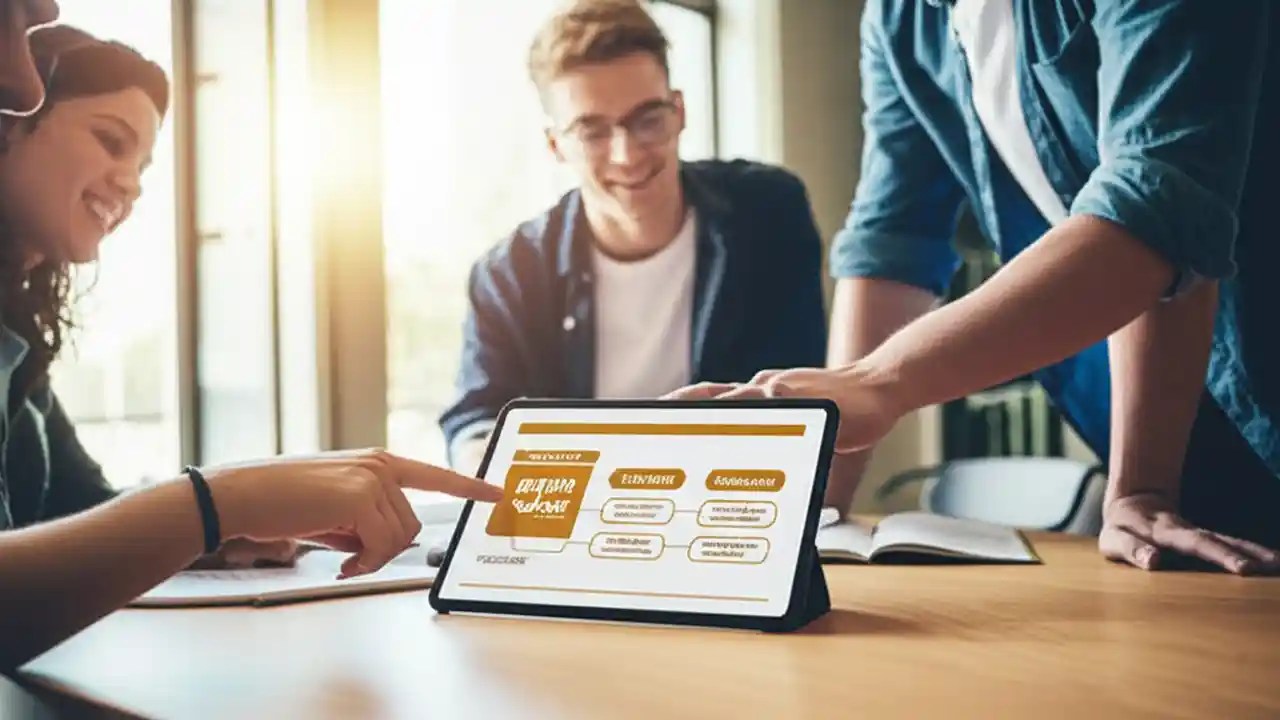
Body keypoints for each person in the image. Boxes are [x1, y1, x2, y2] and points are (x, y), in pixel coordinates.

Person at [672, 0, 1280, 576]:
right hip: (1176, 444)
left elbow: (1154, 209)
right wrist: (817, 492)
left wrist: (875, 382)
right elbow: (893, 240)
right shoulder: (901, 17)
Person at [0, 20, 501, 672]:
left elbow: (84, 512)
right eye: (110, 141)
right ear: (12, 121)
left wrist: (228, 528)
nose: (133, 184)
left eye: (143, 166)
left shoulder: (21, 349)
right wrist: (222, 502)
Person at [439, 0, 826, 473]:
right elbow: (476, 420)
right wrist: (485, 459)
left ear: (679, 111)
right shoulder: (509, 274)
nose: (626, 155)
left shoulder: (767, 215)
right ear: (556, 145)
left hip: (732, 494)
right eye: (592, 132)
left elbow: (798, 397)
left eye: (648, 119)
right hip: (580, 506)